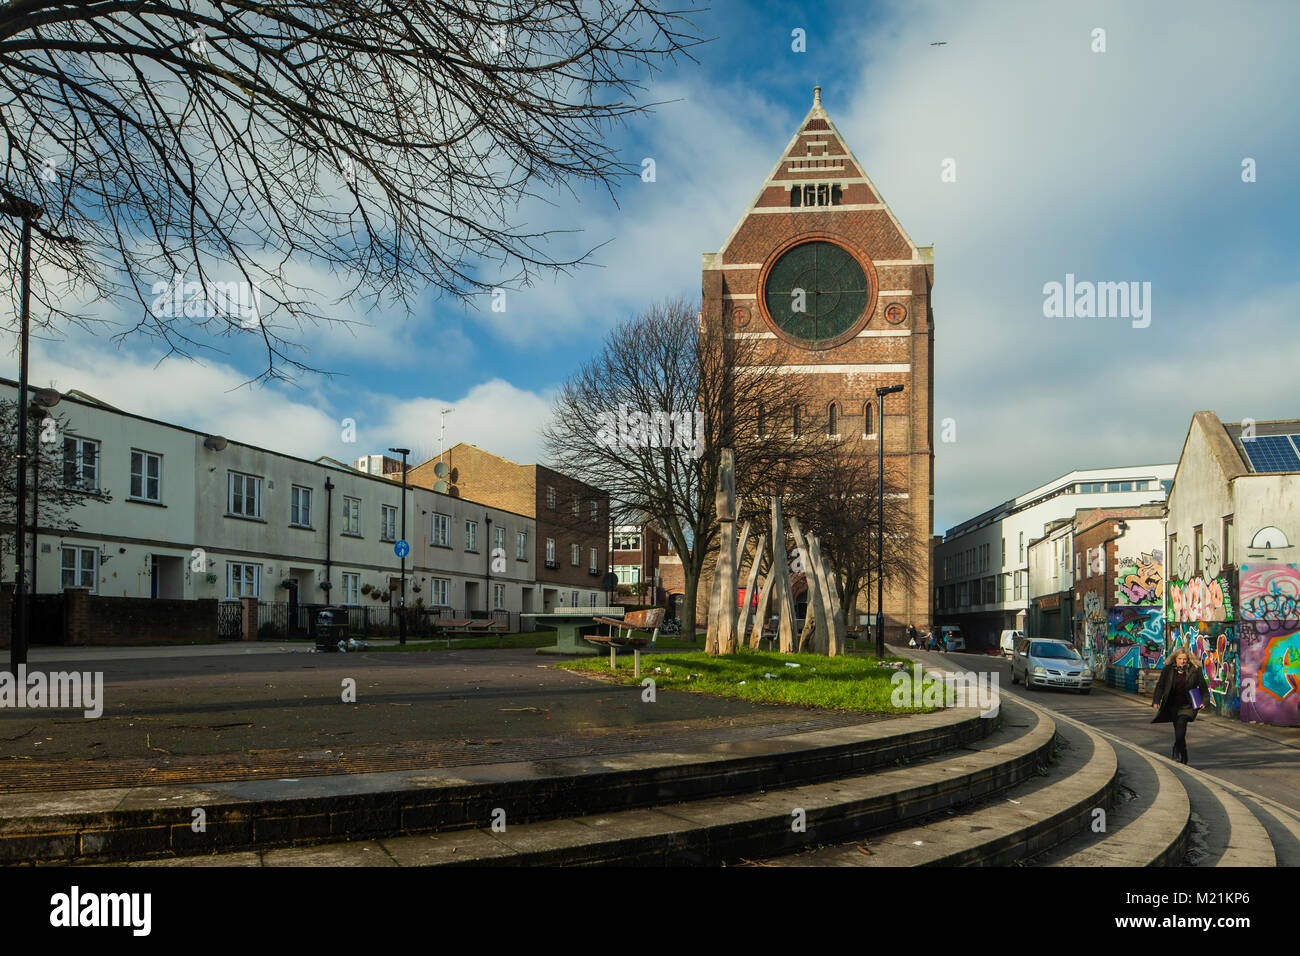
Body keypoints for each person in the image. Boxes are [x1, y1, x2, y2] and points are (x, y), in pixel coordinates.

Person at [1151, 645, 1207, 765]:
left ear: (1188, 659)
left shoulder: (1195, 670)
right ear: (1175, 659)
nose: (1182, 661)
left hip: (1187, 706)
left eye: (1185, 659)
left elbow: (1203, 687)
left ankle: (1181, 754)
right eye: (1180, 659)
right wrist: (1156, 700)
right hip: (1173, 706)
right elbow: (1160, 685)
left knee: (1181, 729)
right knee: (1178, 732)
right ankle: (1181, 750)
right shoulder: (1168, 669)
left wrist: (1204, 701)